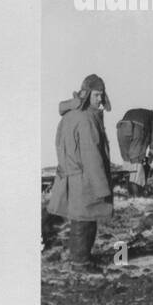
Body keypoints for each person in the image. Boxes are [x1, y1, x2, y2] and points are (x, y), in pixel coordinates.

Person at [46, 75, 114, 268]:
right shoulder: (86, 120)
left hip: (72, 178)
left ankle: (79, 259)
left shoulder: (70, 115)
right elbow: (92, 156)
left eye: (102, 95)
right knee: (85, 222)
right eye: (96, 95)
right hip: (85, 181)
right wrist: (102, 188)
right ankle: (80, 262)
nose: (100, 99)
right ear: (86, 95)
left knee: (79, 220)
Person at [116, 108, 153, 190]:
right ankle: (137, 192)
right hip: (138, 128)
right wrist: (152, 152)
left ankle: (127, 188)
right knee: (136, 160)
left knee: (127, 159)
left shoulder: (134, 112)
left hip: (121, 127)